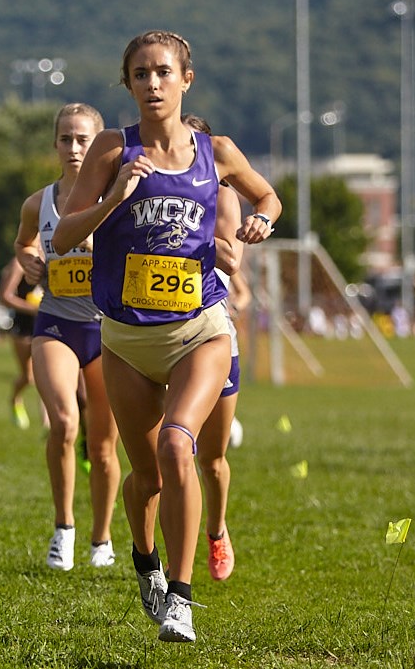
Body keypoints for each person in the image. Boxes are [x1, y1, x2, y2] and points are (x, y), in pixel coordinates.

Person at [53, 30, 279, 643]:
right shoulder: (109, 148)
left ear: (185, 79)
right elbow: (63, 237)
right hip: (126, 339)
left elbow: (268, 193)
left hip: (199, 329)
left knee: (182, 448)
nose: (152, 83)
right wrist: (116, 196)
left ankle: (180, 598)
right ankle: (146, 564)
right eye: (140, 74)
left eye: (162, 72)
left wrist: (260, 220)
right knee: (146, 477)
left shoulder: (217, 150)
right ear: (127, 84)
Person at [12, 102, 121, 572]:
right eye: (66, 139)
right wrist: (28, 260)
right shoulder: (39, 203)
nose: (74, 148)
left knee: (103, 446)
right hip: (56, 322)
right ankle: (64, 528)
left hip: (108, 330)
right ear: (55, 144)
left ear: (98, 144)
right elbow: (23, 242)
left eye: (83, 139)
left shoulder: (116, 198)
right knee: (64, 423)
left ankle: (102, 537)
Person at [180, 113, 253, 584]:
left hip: (211, 325)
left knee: (211, 457)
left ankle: (217, 529)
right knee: (175, 451)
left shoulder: (224, 194)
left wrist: (190, 229)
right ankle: (176, 553)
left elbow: (231, 256)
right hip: (159, 326)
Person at [0, 257, 43, 429]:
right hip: (23, 327)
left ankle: (48, 422)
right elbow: (5, 296)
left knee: (47, 375)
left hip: (47, 324)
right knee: (28, 377)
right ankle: (15, 398)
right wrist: (33, 309)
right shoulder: (19, 263)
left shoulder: (56, 253)